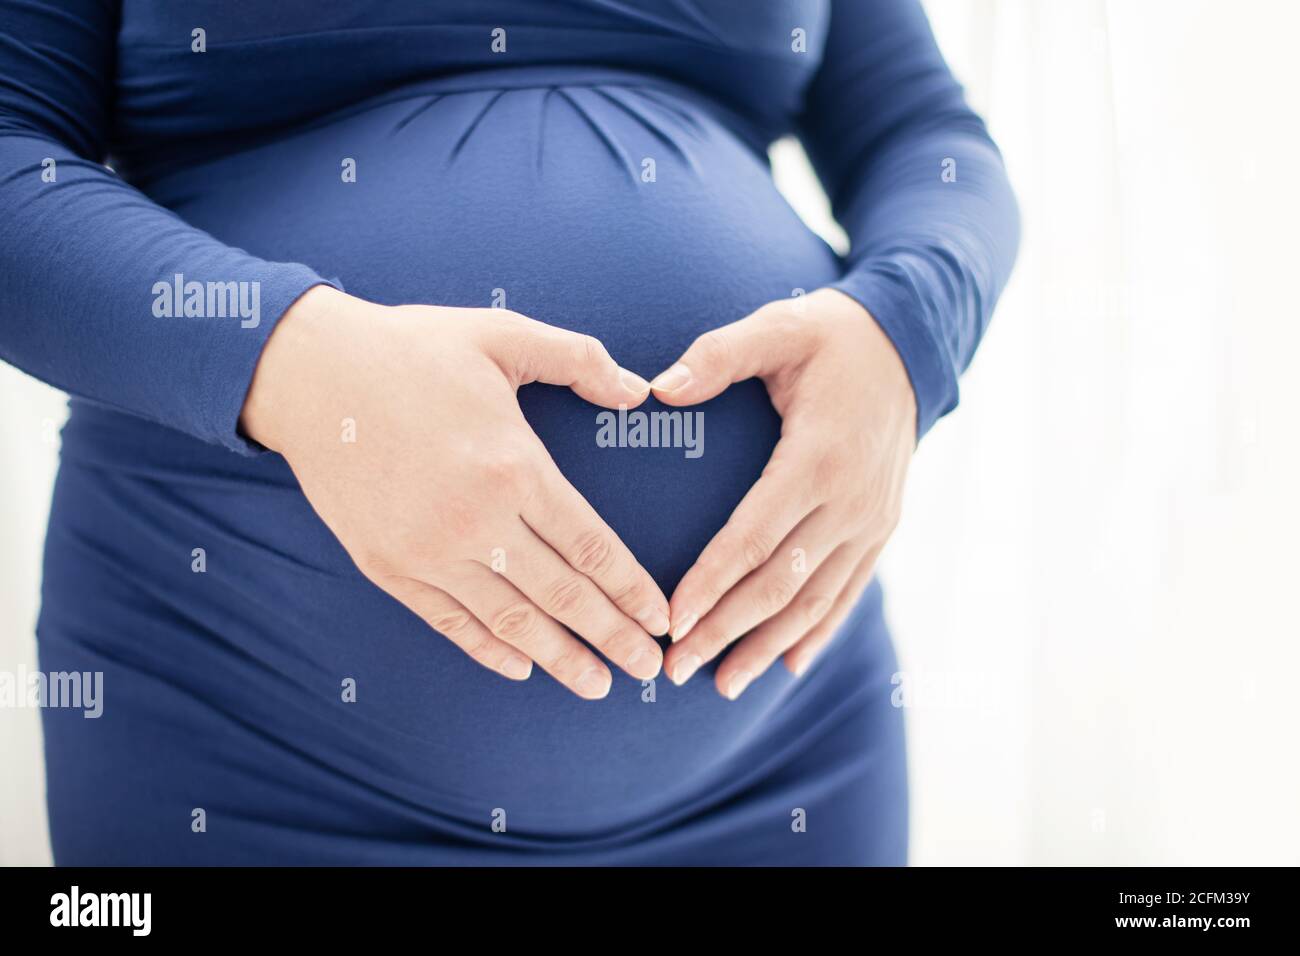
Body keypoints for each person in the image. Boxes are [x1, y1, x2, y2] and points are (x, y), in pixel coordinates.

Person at [0, 0, 1018, 864]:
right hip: (249, 733)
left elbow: (923, 133)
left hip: (783, 745)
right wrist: (292, 360)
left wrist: (906, 327)